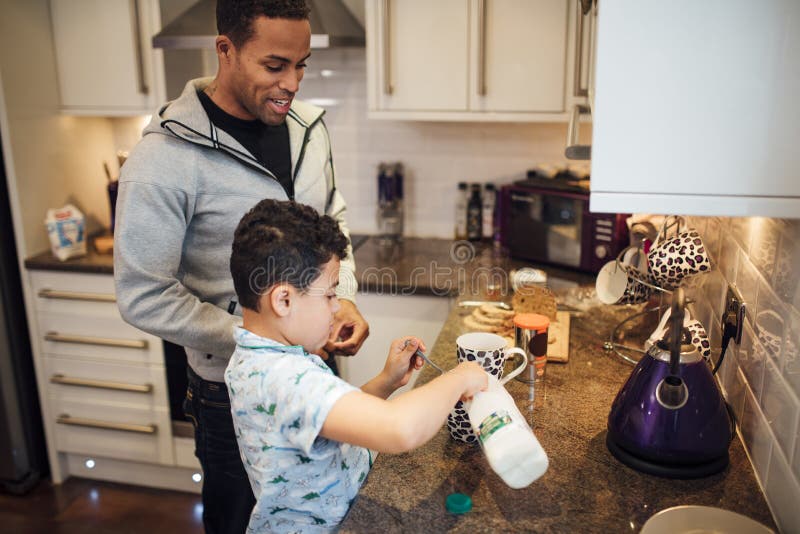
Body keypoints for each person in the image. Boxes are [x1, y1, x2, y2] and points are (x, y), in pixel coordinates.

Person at [113, 1, 369, 532]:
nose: (292, 83)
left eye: (302, 65)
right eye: (275, 66)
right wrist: (261, 337)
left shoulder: (308, 129)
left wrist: (339, 297)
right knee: (239, 521)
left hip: (317, 370)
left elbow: (332, 220)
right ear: (224, 49)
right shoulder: (163, 159)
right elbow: (143, 293)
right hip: (232, 390)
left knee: (330, 509)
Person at [225, 199, 488, 532]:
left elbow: (328, 420)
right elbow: (399, 429)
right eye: (330, 294)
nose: (337, 308)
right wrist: (460, 376)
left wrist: (386, 382)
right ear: (283, 300)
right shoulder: (283, 377)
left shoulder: (262, 357)